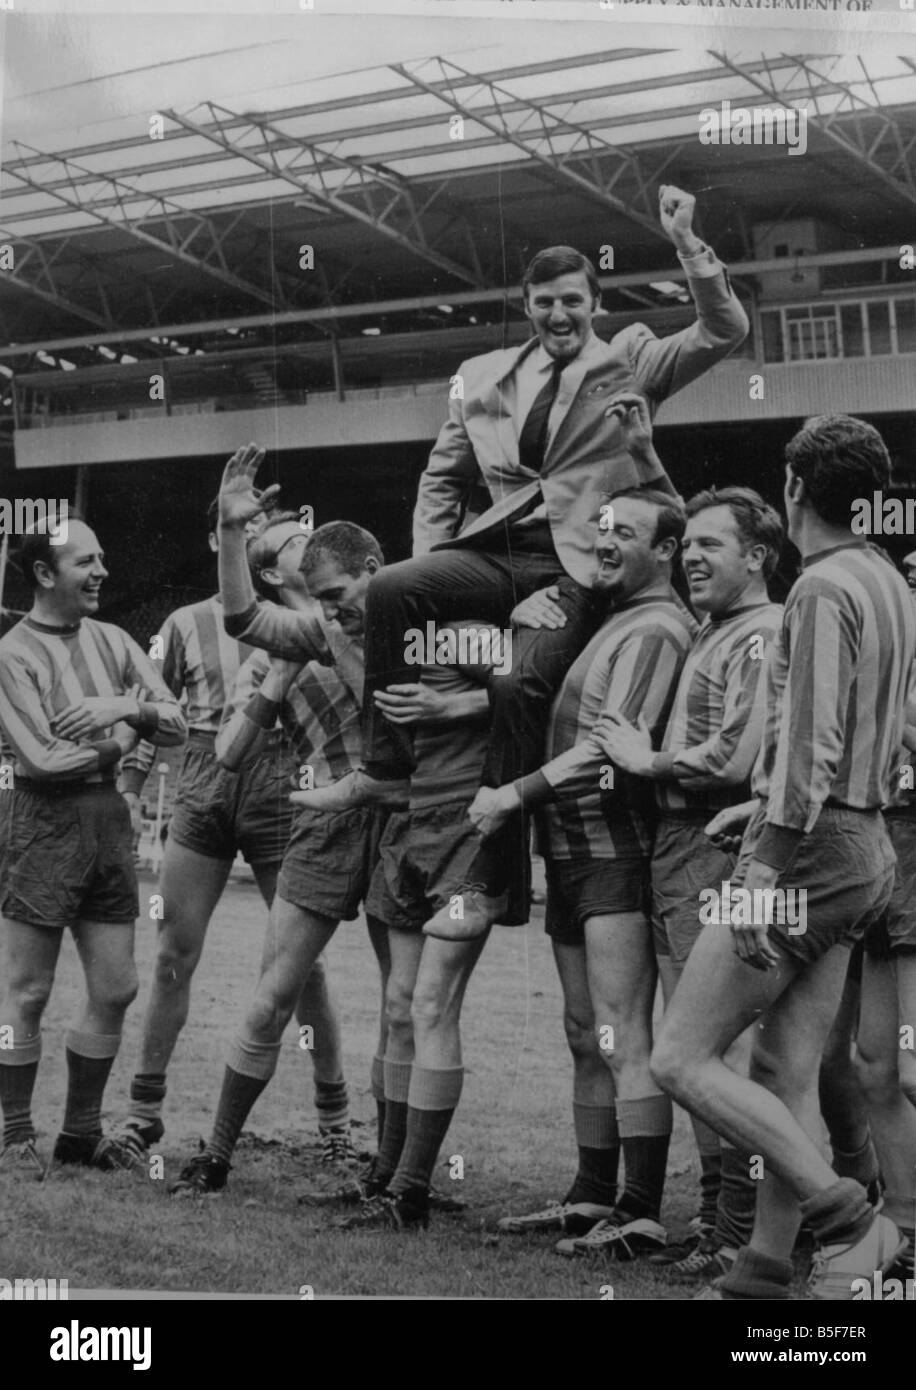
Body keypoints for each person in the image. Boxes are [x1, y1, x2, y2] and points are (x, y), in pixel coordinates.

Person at [297, 188, 749, 932]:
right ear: (528, 306)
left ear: (594, 302)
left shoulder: (632, 358)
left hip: (579, 567)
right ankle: (381, 771)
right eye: (544, 303)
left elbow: (723, 328)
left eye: (572, 300)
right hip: (498, 553)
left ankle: (490, 884)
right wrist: (443, 578)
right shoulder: (481, 378)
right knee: (394, 588)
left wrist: (687, 243)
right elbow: (442, 479)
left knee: (515, 679)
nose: (559, 315)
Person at [647, 415, 916, 1301]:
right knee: (782, 1069)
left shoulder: (818, 588)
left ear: (795, 488)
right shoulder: (888, 581)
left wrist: (763, 859)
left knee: (680, 1057)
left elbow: (810, 743)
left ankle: (852, 1221)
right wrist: (762, 808)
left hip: (803, 856)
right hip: (868, 848)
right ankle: (762, 1271)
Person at [483, 487, 697, 1257]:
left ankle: (639, 1211)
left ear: (667, 550)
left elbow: (613, 742)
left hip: (613, 849)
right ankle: (588, 1197)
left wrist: (514, 792)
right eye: (601, 529)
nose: (605, 544)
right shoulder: (609, 617)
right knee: (584, 1032)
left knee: (619, 1032)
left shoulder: (661, 627)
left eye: (626, 533)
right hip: (569, 849)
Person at [114, 504, 355, 1166]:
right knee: (171, 955)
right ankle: (143, 1112)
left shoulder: (322, 625)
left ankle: (335, 1117)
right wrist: (133, 790)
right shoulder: (183, 623)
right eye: (244, 533)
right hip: (203, 777)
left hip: (285, 779)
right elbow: (149, 709)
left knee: (303, 971)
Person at [598, 486, 783, 1275]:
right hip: (680, 845)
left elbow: (737, 756)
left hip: (714, 838)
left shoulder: (760, 633)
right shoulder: (718, 624)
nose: (694, 557)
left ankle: (739, 1235)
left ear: (758, 558)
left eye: (713, 545)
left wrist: (647, 760)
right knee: (693, 1046)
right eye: (690, 544)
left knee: (718, 1054)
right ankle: (719, 1222)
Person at [0, 519, 185, 1174]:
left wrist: (122, 709)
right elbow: (43, 758)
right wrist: (126, 737)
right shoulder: (13, 652)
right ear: (46, 575)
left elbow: (177, 722)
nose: (102, 570)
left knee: (117, 986)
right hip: (42, 818)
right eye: (86, 560)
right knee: (27, 990)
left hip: (108, 819)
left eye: (104, 556)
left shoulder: (113, 640)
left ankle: (80, 1134)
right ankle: (15, 1133)